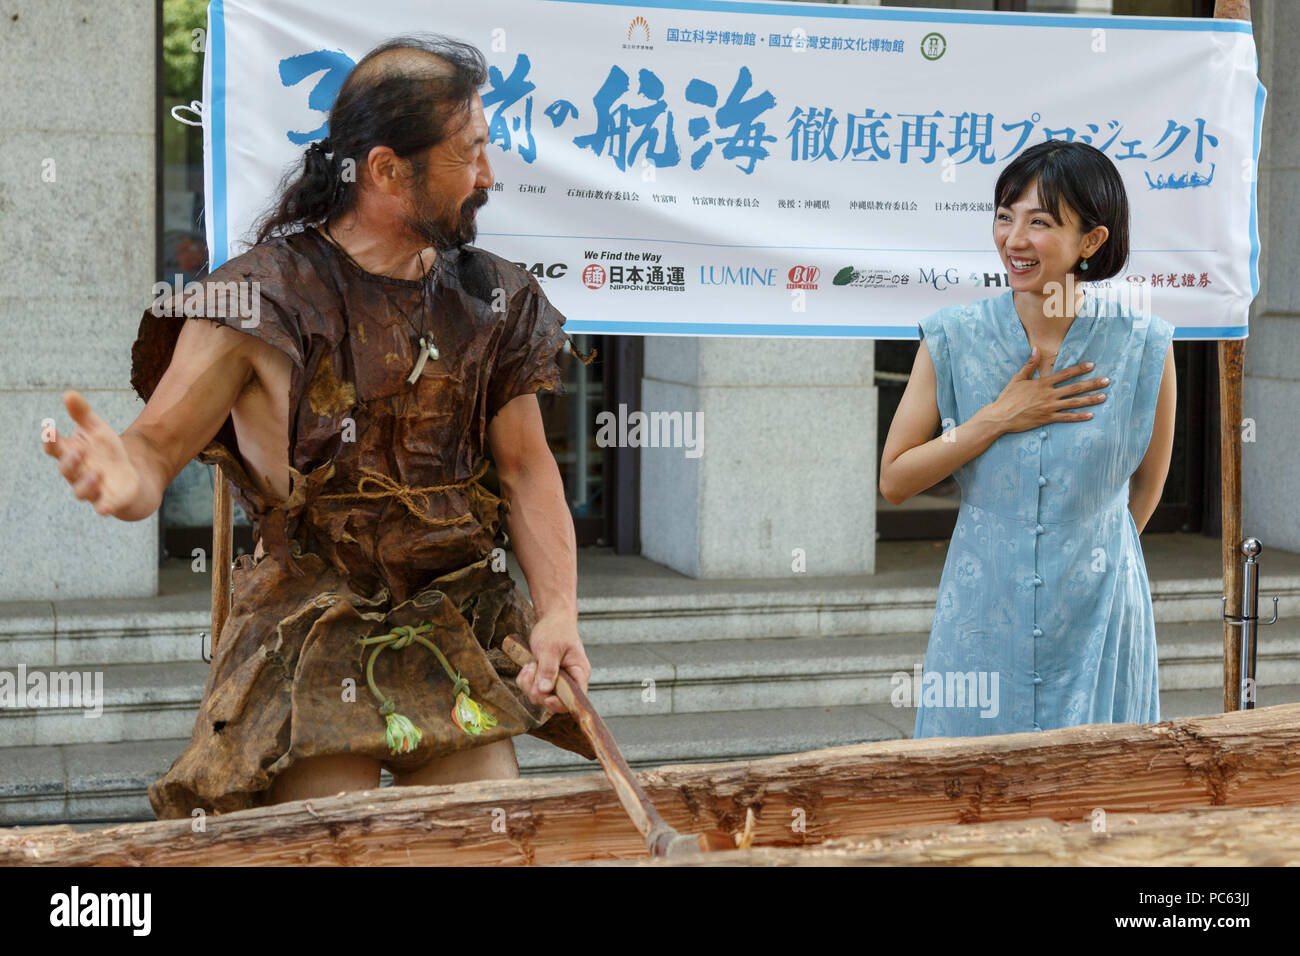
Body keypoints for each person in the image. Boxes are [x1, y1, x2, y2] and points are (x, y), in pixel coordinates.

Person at [41, 34, 597, 817]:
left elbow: (527, 469)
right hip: (308, 625)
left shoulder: (492, 299)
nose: (488, 176)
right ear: (384, 169)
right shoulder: (258, 300)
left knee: (479, 830)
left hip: (449, 616)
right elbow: (152, 453)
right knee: (329, 839)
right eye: (469, 152)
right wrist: (122, 475)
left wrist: (560, 610)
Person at [880, 140, 1176, 738]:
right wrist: (997, 417)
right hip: (983, 610)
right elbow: (896, 480)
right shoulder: (952, 337)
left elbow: (1144, 488)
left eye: (1039, 221)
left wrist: (1092, 552)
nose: (1014, 239)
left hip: (1100, 613)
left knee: (1100, 796)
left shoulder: (1145, 345)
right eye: (1004, 216)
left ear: (1090, 241)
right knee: (975, 797)